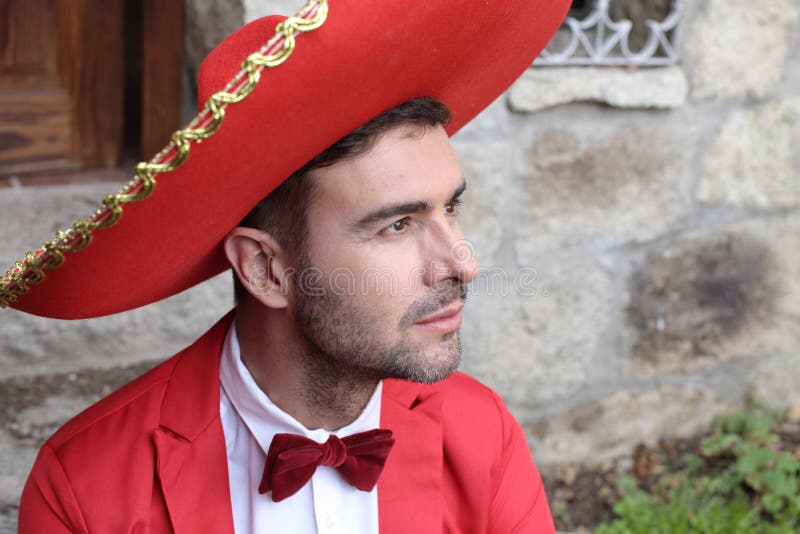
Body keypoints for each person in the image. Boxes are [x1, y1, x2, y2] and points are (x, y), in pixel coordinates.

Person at [11, 0, 570, 532]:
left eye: (451, 208)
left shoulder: (481, 435)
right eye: (398, 226)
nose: (464, 265)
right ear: (265, 270)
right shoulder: (86, 488)